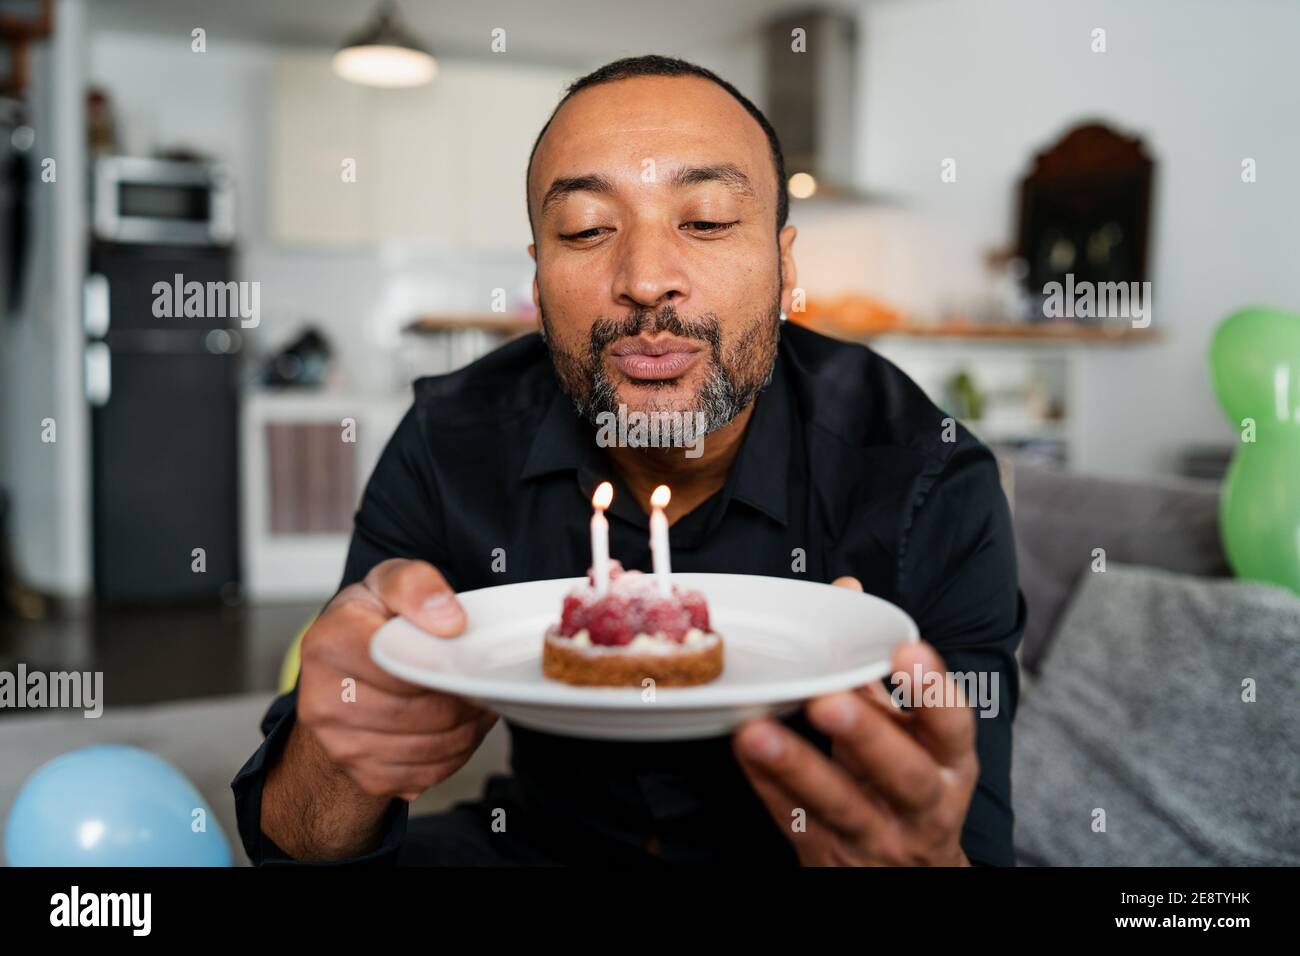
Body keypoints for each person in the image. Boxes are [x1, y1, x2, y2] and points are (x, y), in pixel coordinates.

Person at [232, 55, 1024, 867]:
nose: (647, 281)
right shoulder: (451, 439)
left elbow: (970, 844)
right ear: (538, 278)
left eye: (707, 220)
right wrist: (339, 751)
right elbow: (293, 843)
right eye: (585, 228)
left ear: (786, 267)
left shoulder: (926, 478)